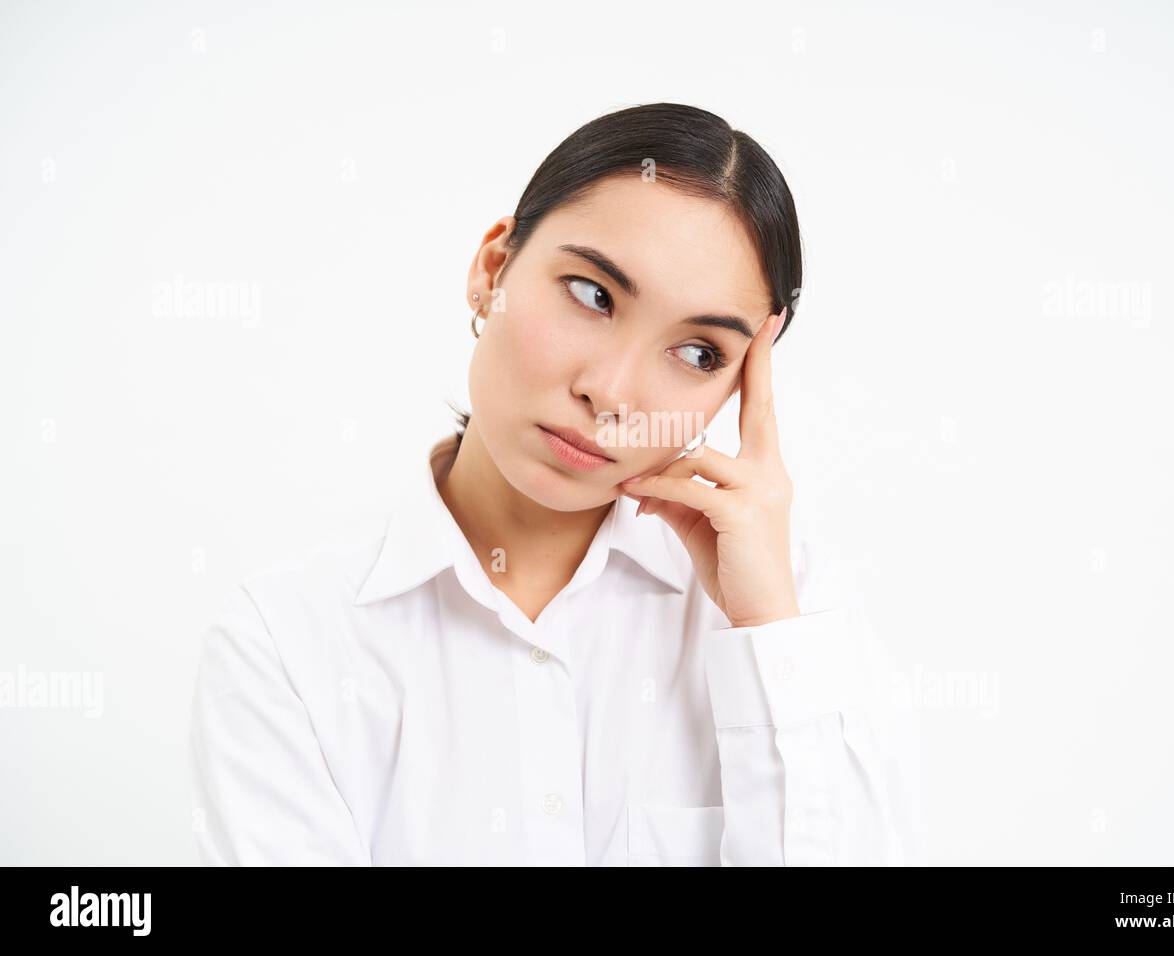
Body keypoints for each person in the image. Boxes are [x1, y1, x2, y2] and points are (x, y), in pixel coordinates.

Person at [188, 102, 921, 866]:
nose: (610, 393)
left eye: (699, 354)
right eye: (594, 295)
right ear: (492, 270)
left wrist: (768, 632)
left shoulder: (793, 609)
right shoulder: (287, 643)